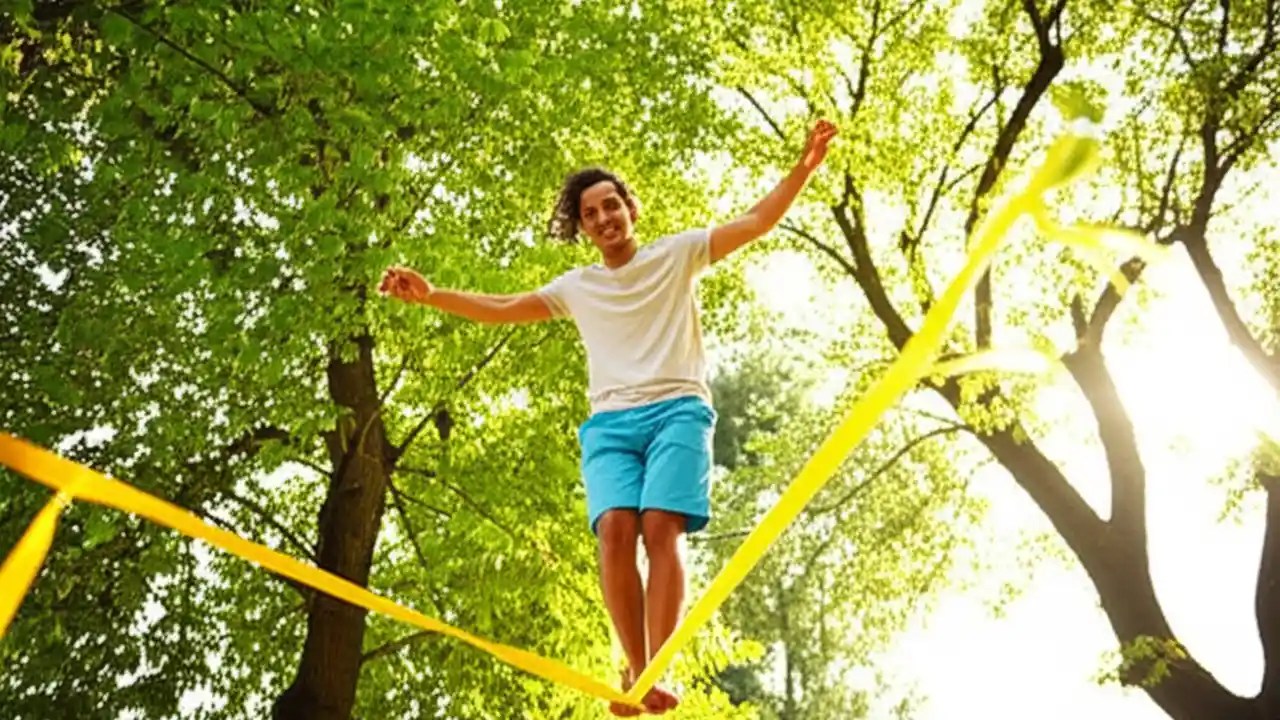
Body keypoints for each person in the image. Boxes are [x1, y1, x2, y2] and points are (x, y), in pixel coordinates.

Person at [379, 119, 838, 715]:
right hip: (611, 427)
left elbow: (756, 222)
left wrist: (802, 169)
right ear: (581, 228)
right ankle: (634, 667)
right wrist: (431, 292)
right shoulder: (578, 287)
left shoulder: (678, 255)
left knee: (660, 526)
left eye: (611, 205)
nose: (603, 218)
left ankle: (653, 671)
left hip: (677, 411)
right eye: (589, 214)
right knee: (617, 530)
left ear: (630, 208)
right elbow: (502, 308)